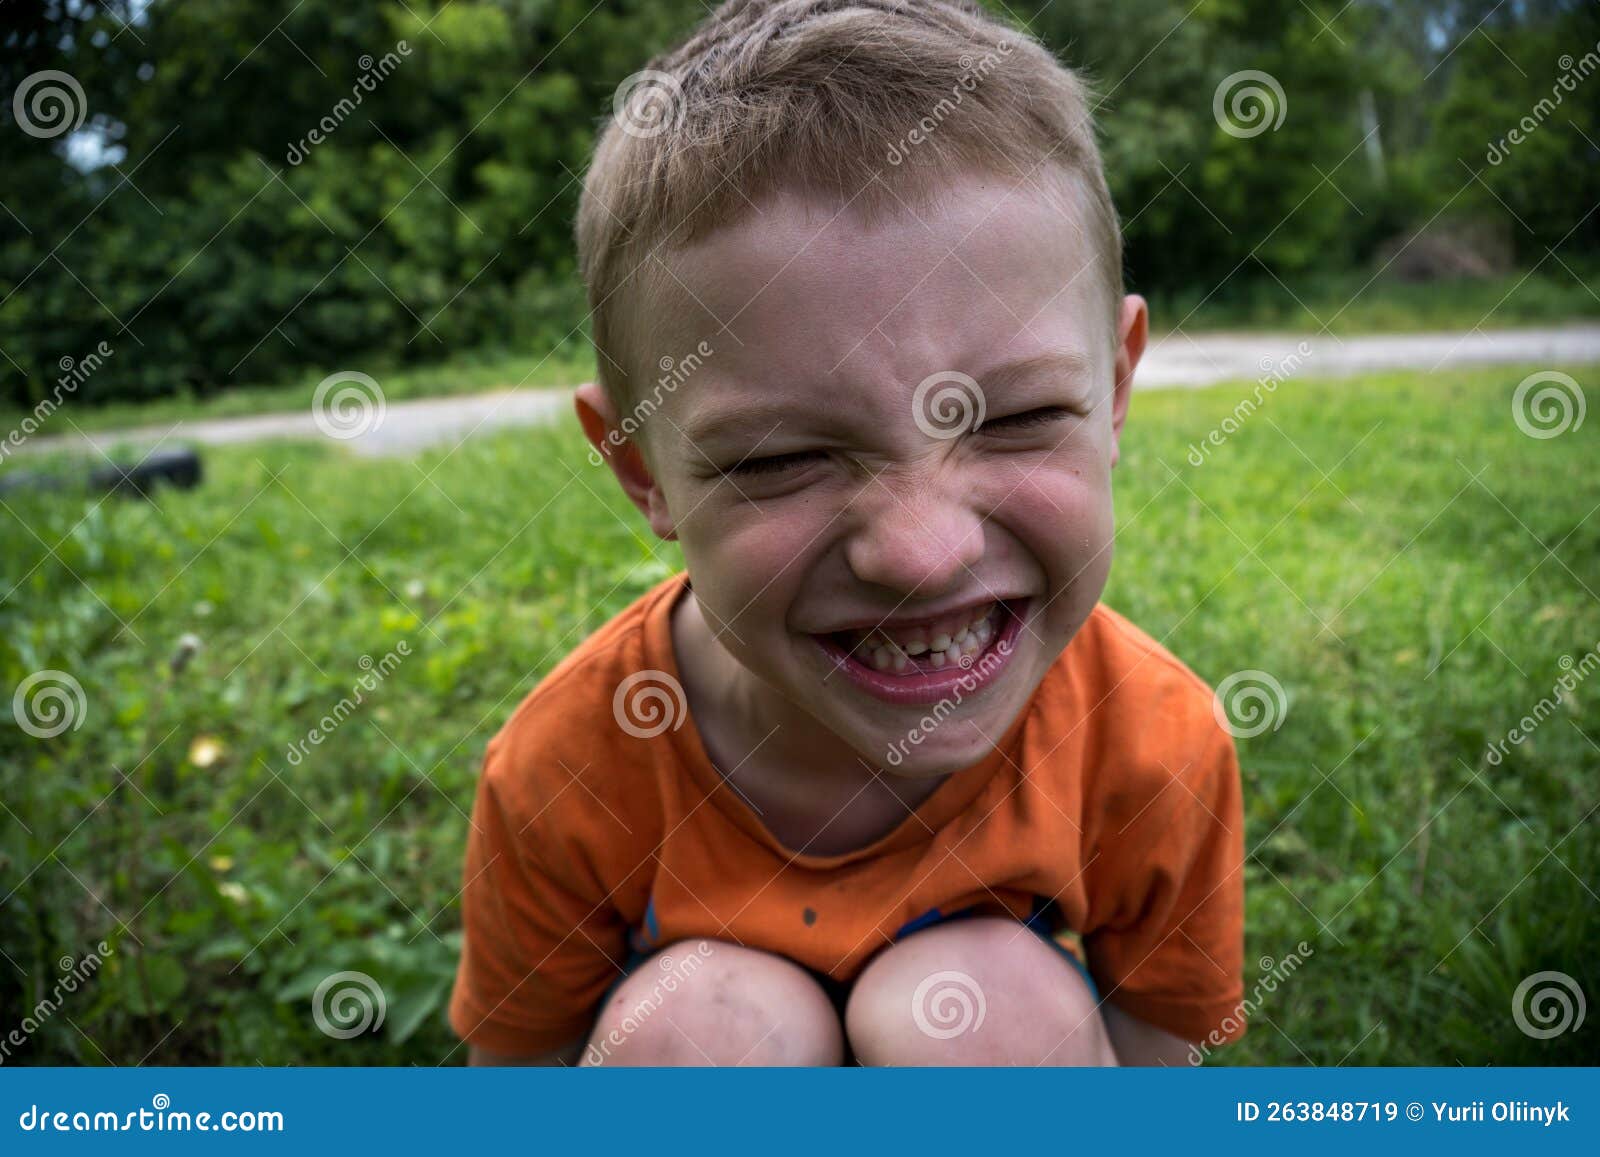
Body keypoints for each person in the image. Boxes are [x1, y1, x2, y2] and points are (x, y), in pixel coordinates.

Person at [449, 0, 1244, 1066]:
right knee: (698, 1025)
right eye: (779, 459)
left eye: (1014, 420)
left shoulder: (1153, 746)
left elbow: (1160, 1073)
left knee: (990, 1009)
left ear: (1114, 386)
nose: (920, 553)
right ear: (642, 467)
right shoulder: (569, 768)